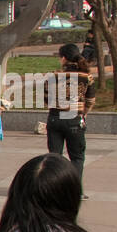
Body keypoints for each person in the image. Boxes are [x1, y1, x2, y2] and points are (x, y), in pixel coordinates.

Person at [46, 43, 94, 200]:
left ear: (64, 59)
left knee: (55, 157)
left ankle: (54, 191)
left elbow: (47, 100)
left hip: (55, 119)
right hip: (74, 120)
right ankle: (75, 191)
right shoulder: (87, 77)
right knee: (77, 157)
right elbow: (90, 100)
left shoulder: (53, 77)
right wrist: (83, 114)